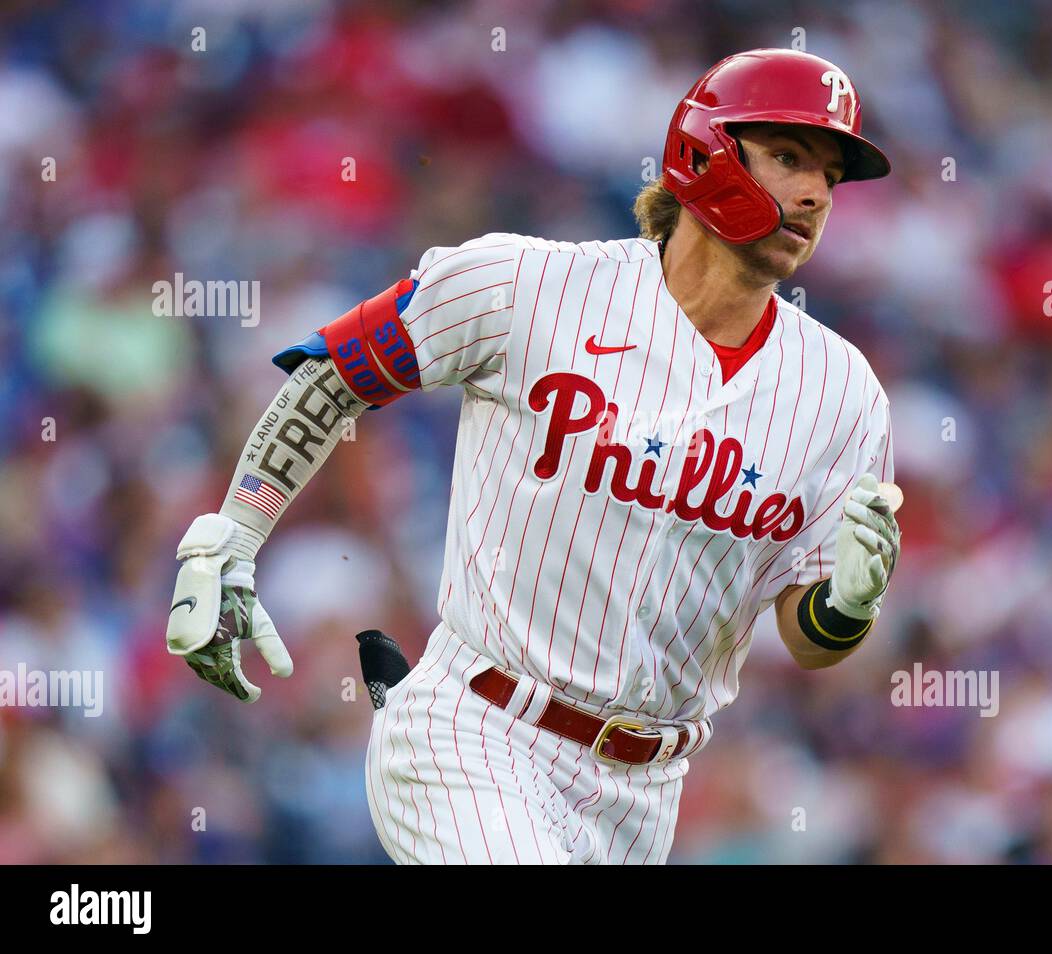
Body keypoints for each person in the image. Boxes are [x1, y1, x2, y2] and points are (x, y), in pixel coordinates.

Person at [166, 48, 901, 864]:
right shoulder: (531, 285)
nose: (813, 194)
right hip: (477, 734)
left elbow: (807, 637)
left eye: (831, 177)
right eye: (790, 157)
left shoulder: (843, 394)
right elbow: (338, 372)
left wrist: (849, 605)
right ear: (704, 151)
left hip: (646, 797)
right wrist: (236, 531)